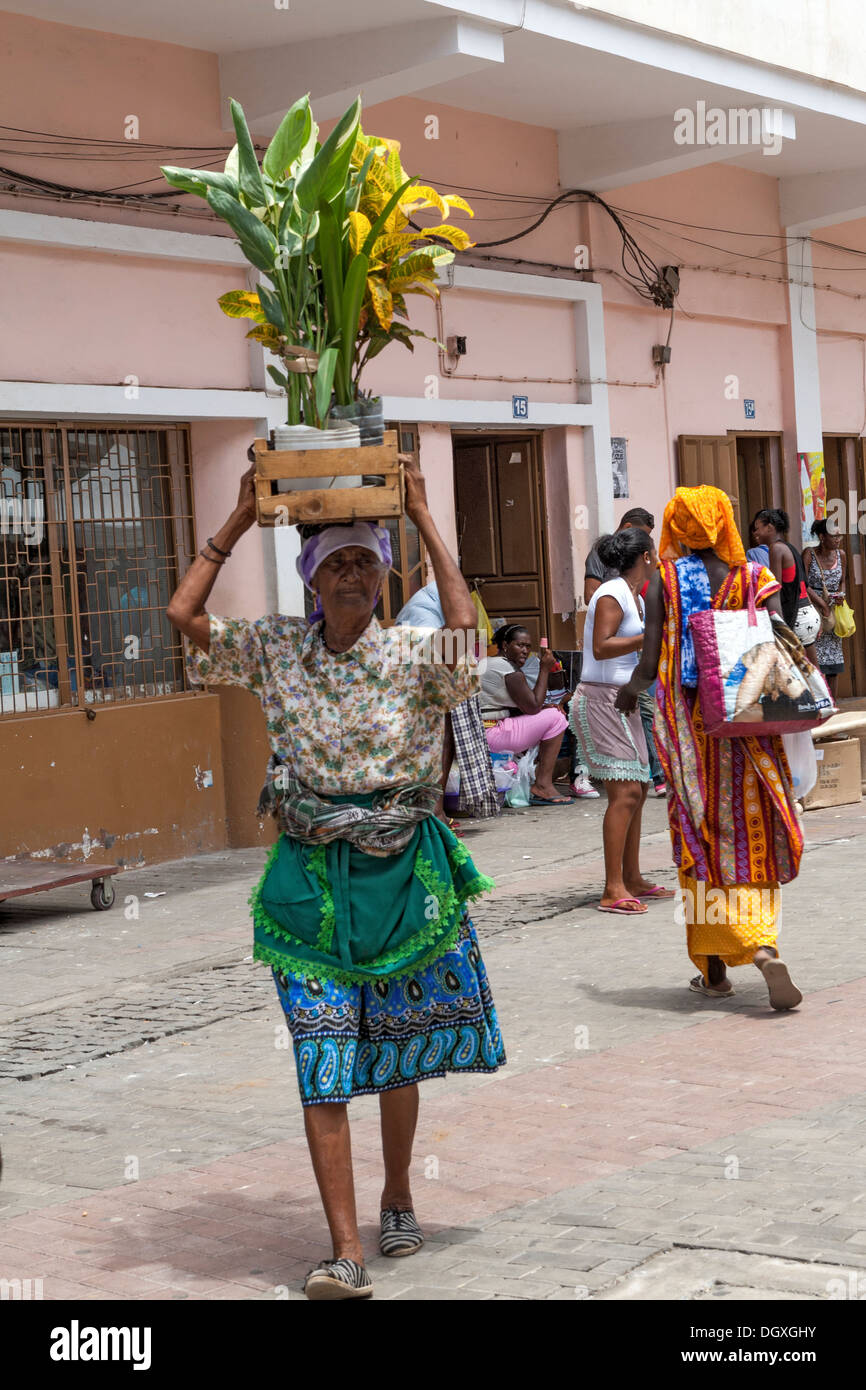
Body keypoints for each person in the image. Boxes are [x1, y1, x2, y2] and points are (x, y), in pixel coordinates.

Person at [166, 458, 505, 1300]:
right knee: (322, 1059)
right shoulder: (278, 649)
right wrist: (238, 521)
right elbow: (183, 614)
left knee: (394, 1057)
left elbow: (470, 637)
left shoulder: (415, 655)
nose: (350, 574)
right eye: (335, 564)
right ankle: (344, 1251)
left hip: (401, 878)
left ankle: (397, 1196)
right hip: (310, 883)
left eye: (364, 560)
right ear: (312, 582)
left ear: (385, 573)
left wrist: (425, 515)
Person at [616, 485, 804, 1011]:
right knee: (751, 833)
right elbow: (779, 638)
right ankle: (763, 944)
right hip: (750, 729)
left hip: (691, 738)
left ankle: (719, 972)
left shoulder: (666, 580)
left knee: (701, 838)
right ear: (725, 522)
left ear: (676, 527)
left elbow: (650, 661)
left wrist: (629, 693)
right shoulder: (754, 577)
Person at [570, 527, 672, 914]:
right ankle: (613, 887)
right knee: (625, 793)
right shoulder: (611, 592)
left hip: (623, 698)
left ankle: (632, 877)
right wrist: (650, 637)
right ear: (645, 556)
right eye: (655, 551)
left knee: (639, 789)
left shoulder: (634, 595)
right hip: (602, 697)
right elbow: (601, 646)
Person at [395, 581, 499, 822]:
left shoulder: (431, 607)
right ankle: (435, 810)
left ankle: (436, 809)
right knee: (439, 744)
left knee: (445, 743)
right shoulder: (423, 613)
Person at [480, 624, 574, 805]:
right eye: (519, 645)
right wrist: (544, 669)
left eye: (528, 647)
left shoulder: (491, 662)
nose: (525, 651)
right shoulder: (508, 670)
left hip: (485, 731)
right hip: (491, 734)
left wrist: (541, 706)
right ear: (505, 645)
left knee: (549, 713)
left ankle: (539, 781)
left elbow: (525, 705)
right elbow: (533, 707)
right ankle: (543, 785)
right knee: (557, 718)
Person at [751, 508, 819, 661]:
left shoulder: (775, 548)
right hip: (807, 613)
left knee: (800, 672)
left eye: (757, 528)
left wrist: (780, 626)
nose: (754, 533)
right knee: (812, 670)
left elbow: (775, 589)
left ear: (769, 528)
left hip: (798, 616)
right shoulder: (790, 547)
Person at [806, 519, 848, 698]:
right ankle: (817, 702)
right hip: (814, 611)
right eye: (834, 535)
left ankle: (833, 703)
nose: (838, 539)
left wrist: (841, 595)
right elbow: (804, 584)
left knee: (833, 664)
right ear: (822, 537)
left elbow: (842, 581)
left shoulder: (841, 555)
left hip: (833, 613)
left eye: (839, 535)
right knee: (814, 663)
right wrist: (822, 604)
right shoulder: (809, 554)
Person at [583, 506, 655, 605]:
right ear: (628, 527)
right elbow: (590, 596)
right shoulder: (600, 552)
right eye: (641, 534)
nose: (644, 539)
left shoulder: (637, 554)